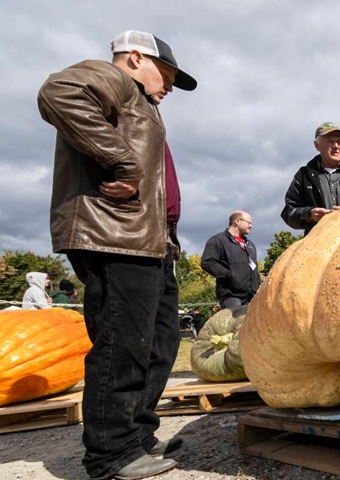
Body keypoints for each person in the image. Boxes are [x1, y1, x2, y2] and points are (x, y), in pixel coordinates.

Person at [37, 30, 197, 479]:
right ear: (135, 57)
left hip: (149, 240)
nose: (169, 86)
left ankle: (137, 434)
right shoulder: (113, 78)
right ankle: (111, 453)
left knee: (160, 342)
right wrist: (121, 162)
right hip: (114, 235)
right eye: (166, 74)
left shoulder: (140, 101)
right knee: (122, 343)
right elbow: (59, 92)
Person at [201, 211, 262, 309]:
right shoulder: (218, 240)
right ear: (237, 221)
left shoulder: (250, 244)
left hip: (252, 297)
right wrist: (229, 275)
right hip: (231, 296)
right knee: (233, 319)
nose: (251, 226)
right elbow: (207, 262)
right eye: (249, 223)